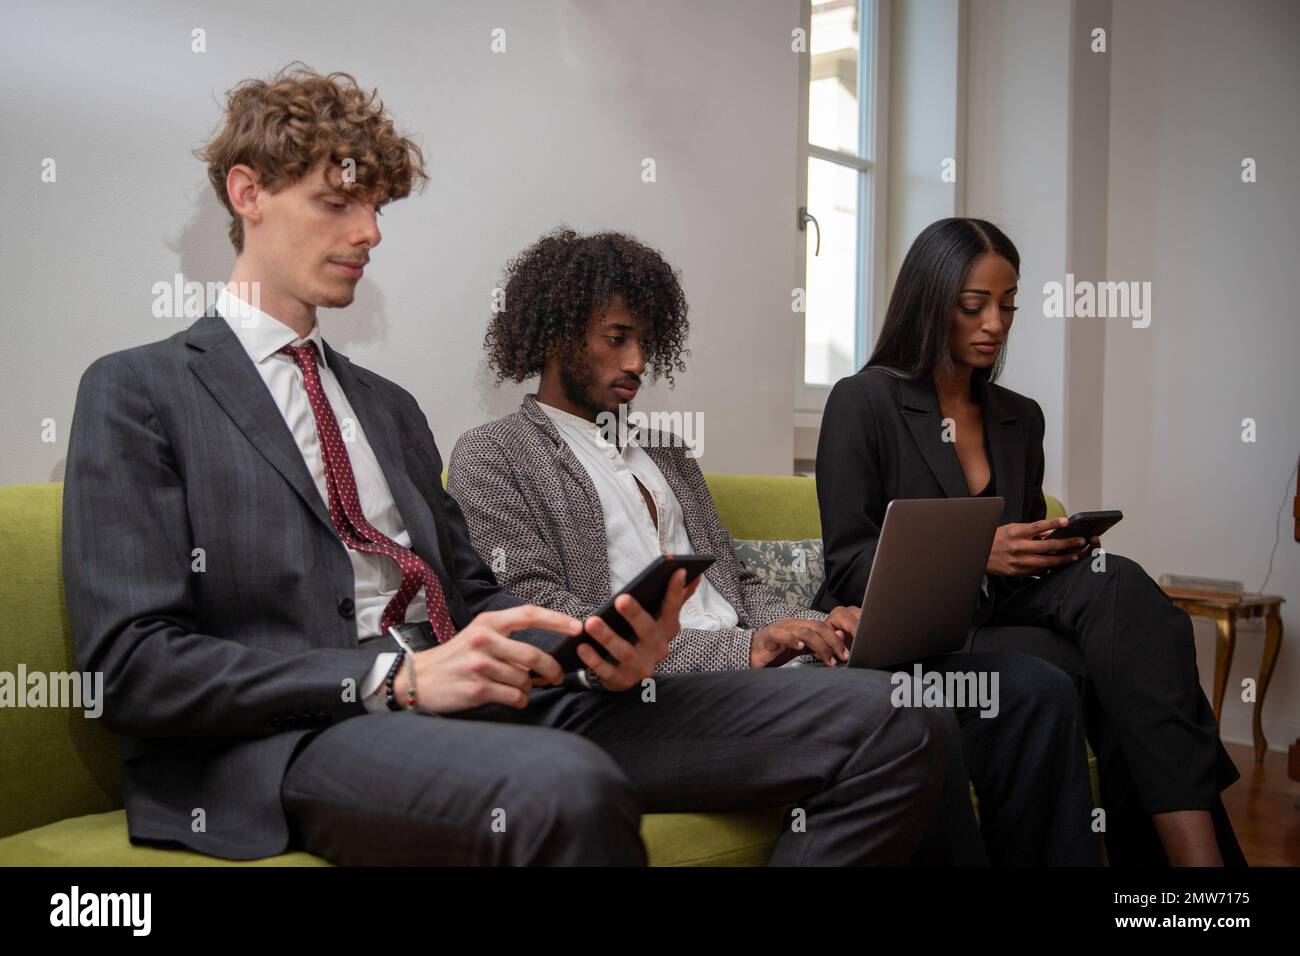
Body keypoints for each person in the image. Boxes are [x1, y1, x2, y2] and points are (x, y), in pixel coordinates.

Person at [60, 64, 960, 866]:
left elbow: (474, 596)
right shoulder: (139, 391)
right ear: (247, 192)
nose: (370, 232)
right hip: (318, 727)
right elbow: (131, 666)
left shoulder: (387, 406)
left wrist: (593, 648)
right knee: (561, 788)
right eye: (338, 203)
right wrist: (391, 676)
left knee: (896, 720)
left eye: (378, 208)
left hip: (508, 701)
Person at [447, 227, 1099, 865]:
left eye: (646, 341)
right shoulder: (495, 454)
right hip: (636, 695)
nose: (637, 363)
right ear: (556, 335)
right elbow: (543, 616)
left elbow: (735, 588)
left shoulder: (666, 454)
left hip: (756, 670)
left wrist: (820, 625)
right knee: (904, 712)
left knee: (1030, 692)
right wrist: (749, 647)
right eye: (618, 340)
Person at [814, 216, 1244, 866]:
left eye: (1008, 305)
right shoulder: (864, 401)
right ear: (932, 302)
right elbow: (848, 567)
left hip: (1001, 615)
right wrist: (978, 551)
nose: (996, 323)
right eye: (974, 306)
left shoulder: (1020, 417)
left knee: (1126, 594)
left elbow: (1022, 569)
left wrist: (1048, 546)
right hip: (908, 641)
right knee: (1111, 672)